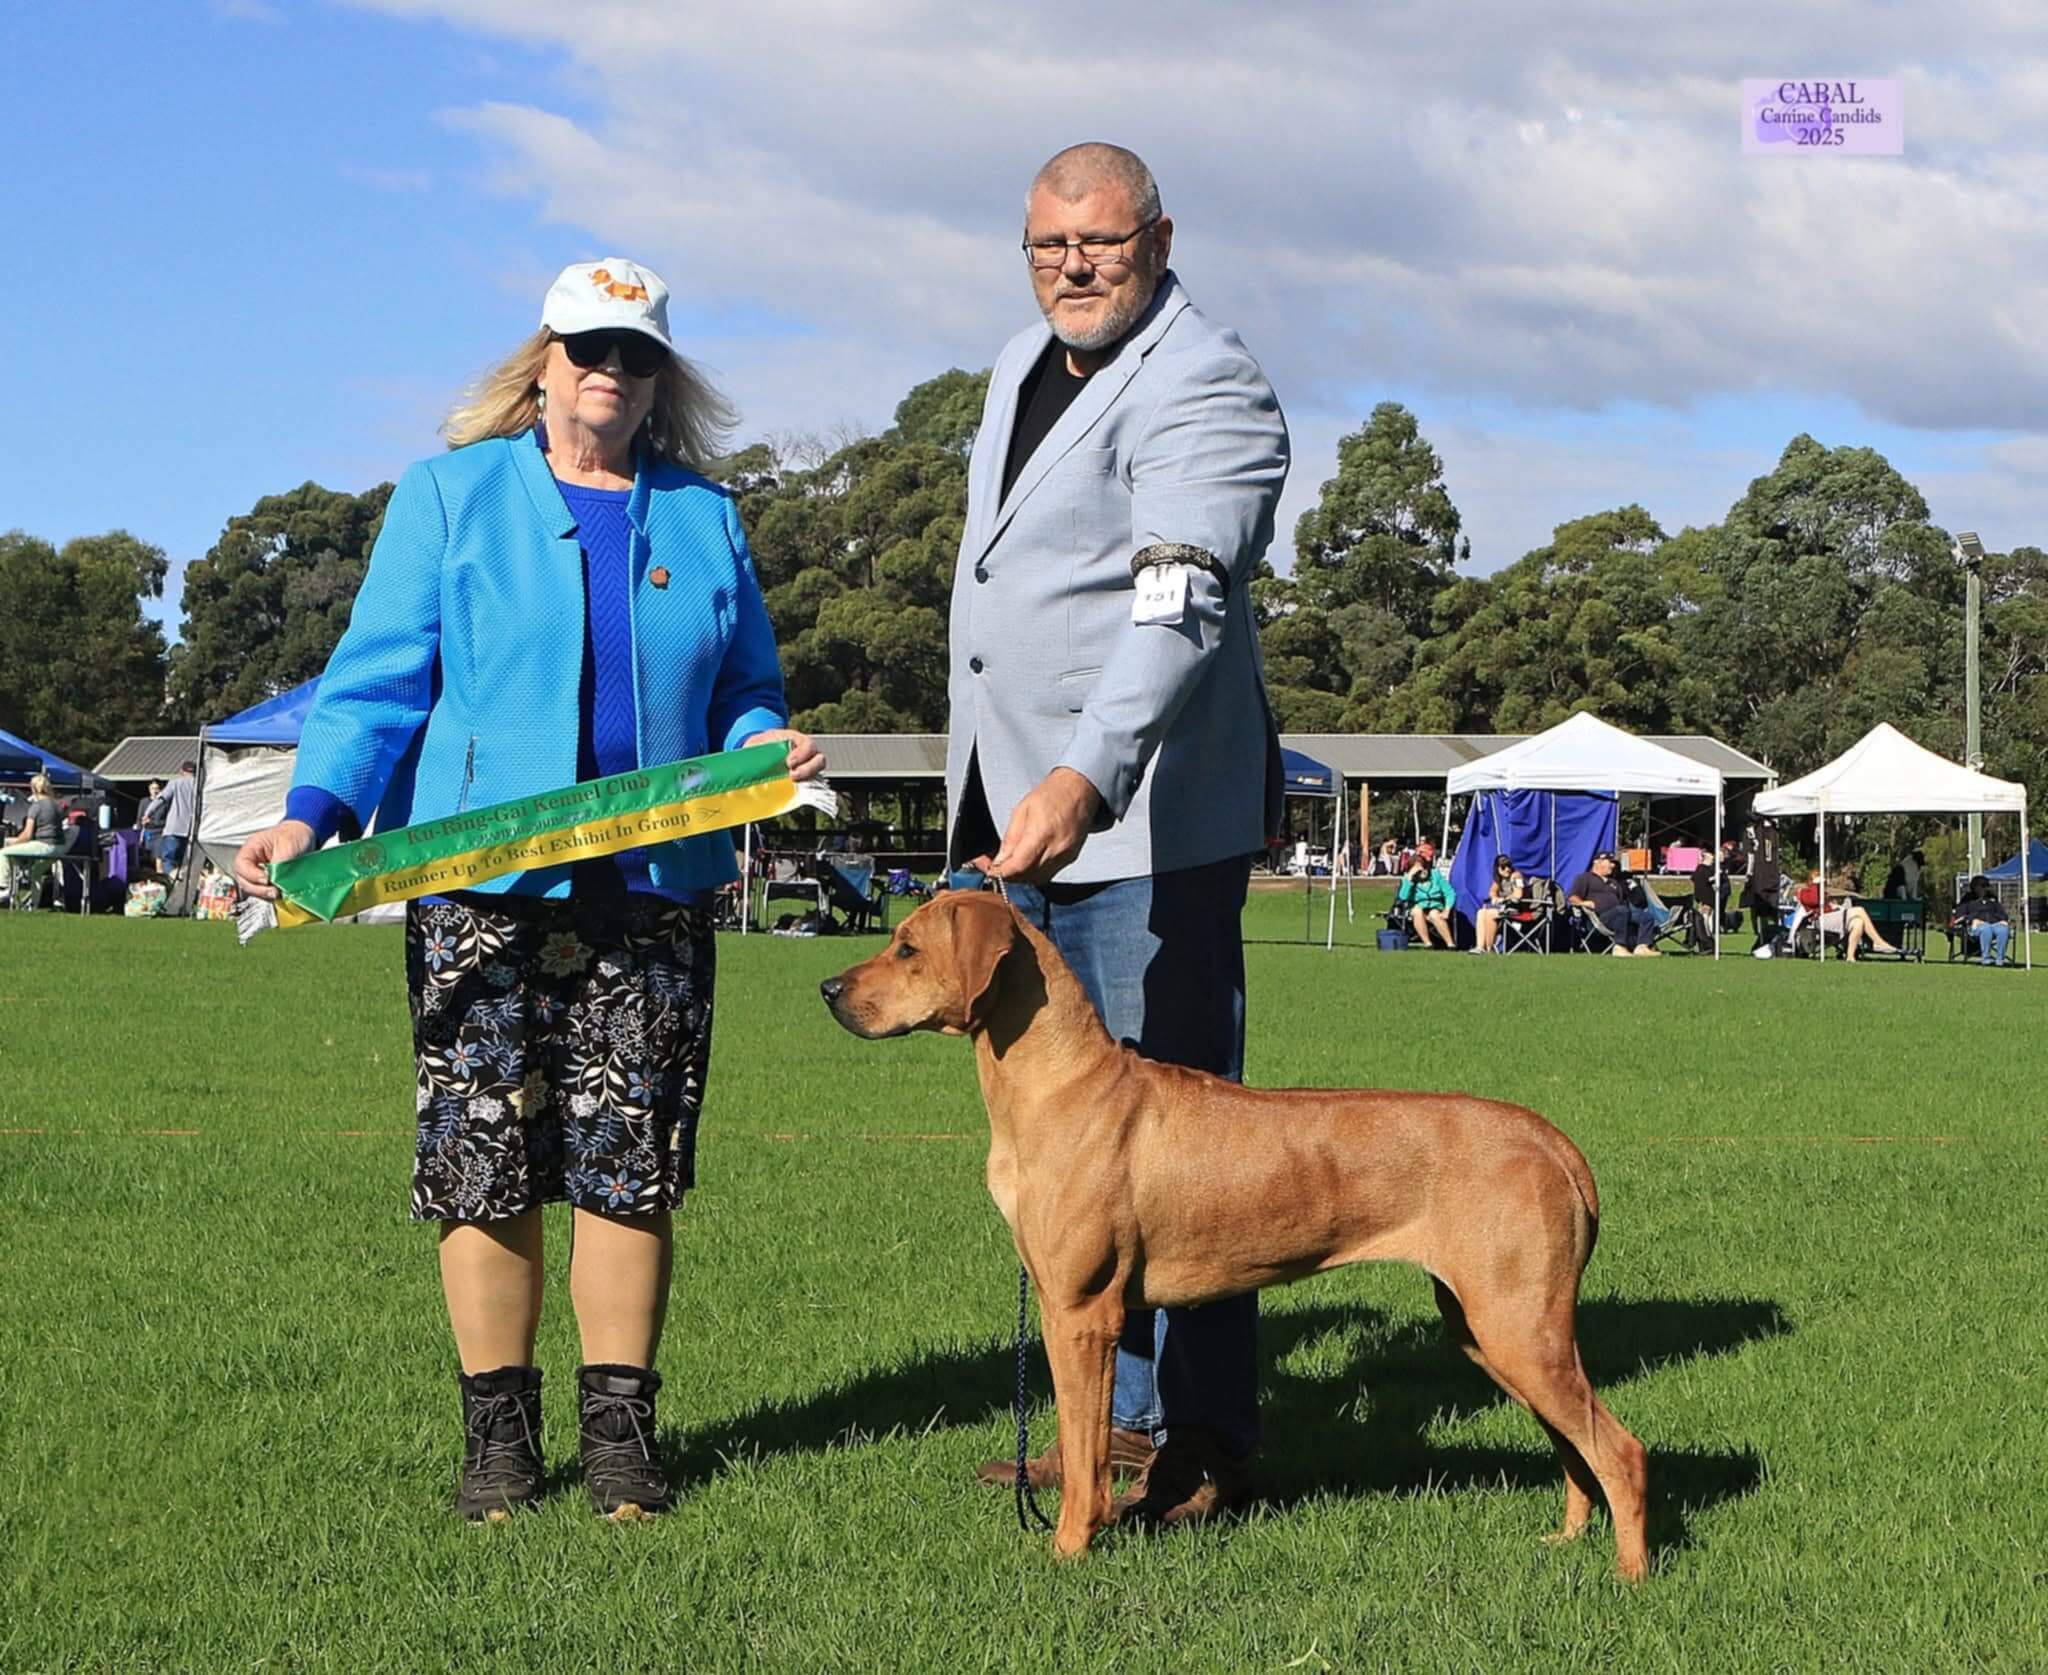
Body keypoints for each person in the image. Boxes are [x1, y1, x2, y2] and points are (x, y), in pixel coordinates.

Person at [233, 257, 822, 1524]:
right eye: (588, 348)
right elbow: (381, 681)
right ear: (543, 359)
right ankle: (497, 1440)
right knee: (481, 1159)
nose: (610, 372)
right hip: (477, 890)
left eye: (637, 354)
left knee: (630, 1164)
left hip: (652, 888)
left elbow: (744, 689)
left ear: (663, 378)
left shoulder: (705, 517)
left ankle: (621, 1440)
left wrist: (764, 743)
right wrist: (310, 815)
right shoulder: (449, 498)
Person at [945, 142, 1288, 1526]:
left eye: (1100, 242)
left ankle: (1205, 1441)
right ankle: (1113, 1427)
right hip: (1017, 817)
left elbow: (1179, 601)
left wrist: (1087, 773)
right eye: (1047, 245)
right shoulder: (1019, 367)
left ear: (1157, 235)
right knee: (1079, 1159)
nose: (1073, 267)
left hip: (1138, 823)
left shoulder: (1209, 380)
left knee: (1190, 1147)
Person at [1794, 868, 1899, 962]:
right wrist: (1815, 886)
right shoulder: (1804, 892)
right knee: (1859, 910)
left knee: (1858, 922)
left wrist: (1833, 905)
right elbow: (1814, 901)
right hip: (1820, 920)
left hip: (1832, 918)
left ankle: (1850, 956)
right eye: (1817, 877)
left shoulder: (1822, 892)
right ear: (1810, 881)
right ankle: (1878, 942)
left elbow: (1828, 906)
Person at [1568, 850, 1657, 955]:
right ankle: (1619, 946)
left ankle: (1642, 947)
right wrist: (1584, 903)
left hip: (1621, 914)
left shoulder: (1614, 883)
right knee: (1621, 911)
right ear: (1597, 862)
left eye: (1613, 863)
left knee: (1646, 917)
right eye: (1609, 862)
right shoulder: (1585, 878)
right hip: (1599, 918)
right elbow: (1572, 898)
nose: (1613, 865)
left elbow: (1621, 901)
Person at [1, 773, 68, 909]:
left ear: (33, 789)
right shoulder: (57, 806)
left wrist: (13, 843)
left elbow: (27, 835)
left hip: (44, 846)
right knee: (36, 873)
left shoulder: (36, 807)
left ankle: (5, 888)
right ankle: (33, 906)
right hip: (60, 847)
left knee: (3, 853)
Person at [1398, 854, 1458, 947]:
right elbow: (1403, 897)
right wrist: (1410, 879)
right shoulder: (1408, 879)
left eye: (1423, 868)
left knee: (1434, 914)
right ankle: (1427, 943)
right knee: (1417, 911)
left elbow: (1449, 893)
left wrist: (1447, 910)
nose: (1422, 871)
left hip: (1436, 906)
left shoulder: (1435, 875)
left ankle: (1450, 943)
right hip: (1418, 906)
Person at [151, 761, 197, 879]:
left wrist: (148, 812)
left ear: (181, 771)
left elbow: (161, 799)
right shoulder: (200, 785)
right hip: (192, 831)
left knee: (168, 860)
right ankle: (181, 883)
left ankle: (172, 880)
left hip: (173, 830)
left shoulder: (175, 783)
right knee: (185, 862)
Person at [1952, 875, 2011, 966]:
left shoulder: (1992, 899)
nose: (1984, 889)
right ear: (1975, 887)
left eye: (1986, 886)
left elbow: (2002, 913)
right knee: (1985, 928)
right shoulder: (1968, 899)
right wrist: (1972, 920)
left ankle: (2000, 959)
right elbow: (1960, 915)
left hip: (1994, 923)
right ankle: (1986, 958)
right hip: (1976, 926)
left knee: (2003, 929)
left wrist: (2002, 920)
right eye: (1982, 886)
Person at [1471, 853, 1525, 953]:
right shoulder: (1499, 879)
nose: (1507, 869)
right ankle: (1480, 946)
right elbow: (1492, 892)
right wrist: (1494, 897)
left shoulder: (1516, 876)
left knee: (1490, 914)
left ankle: (1489, 948)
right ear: (1498, 869)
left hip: (1517, 909)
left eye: (1509, 866)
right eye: (1503, 867)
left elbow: (1518, 894)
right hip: (1504, 909)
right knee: (1481, 912)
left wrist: (1503, 899)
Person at [136, 779, 164, 861]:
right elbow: (139, 819)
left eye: (157, 788)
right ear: (149, 789)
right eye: (152, 788)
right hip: (146, 834)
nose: (155, 791)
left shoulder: (165, 803)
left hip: (159, 835)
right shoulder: (144, 802)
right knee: (147, 861)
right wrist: (138, 835)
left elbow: (168, 821)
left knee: (158, 860)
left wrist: (152, 822)